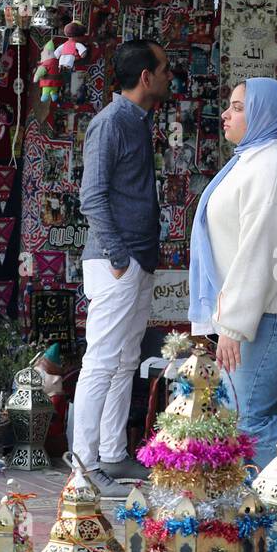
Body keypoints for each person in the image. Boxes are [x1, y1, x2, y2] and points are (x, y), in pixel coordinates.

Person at [189, 78, 277, 470]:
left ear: (264, 113)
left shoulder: (272, 167)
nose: (227, 115)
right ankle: (262, 517)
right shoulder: (252, 161)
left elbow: (259, 251)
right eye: (229, 106)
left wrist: (233, 324)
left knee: (248, 422)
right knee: (238, 421)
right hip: (260, 312)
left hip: (274, 314)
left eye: (238, 107)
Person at [72, 39, 170, 492]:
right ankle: (83, 466)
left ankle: (111, 455)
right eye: (164, 69)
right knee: (102, 361)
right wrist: (117, 256)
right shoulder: (111, 123)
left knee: (125, 359)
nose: (170, 76)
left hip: (134, 259)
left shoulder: (135, 121)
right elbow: (91, 195)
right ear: (146, 77)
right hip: (118, 261)